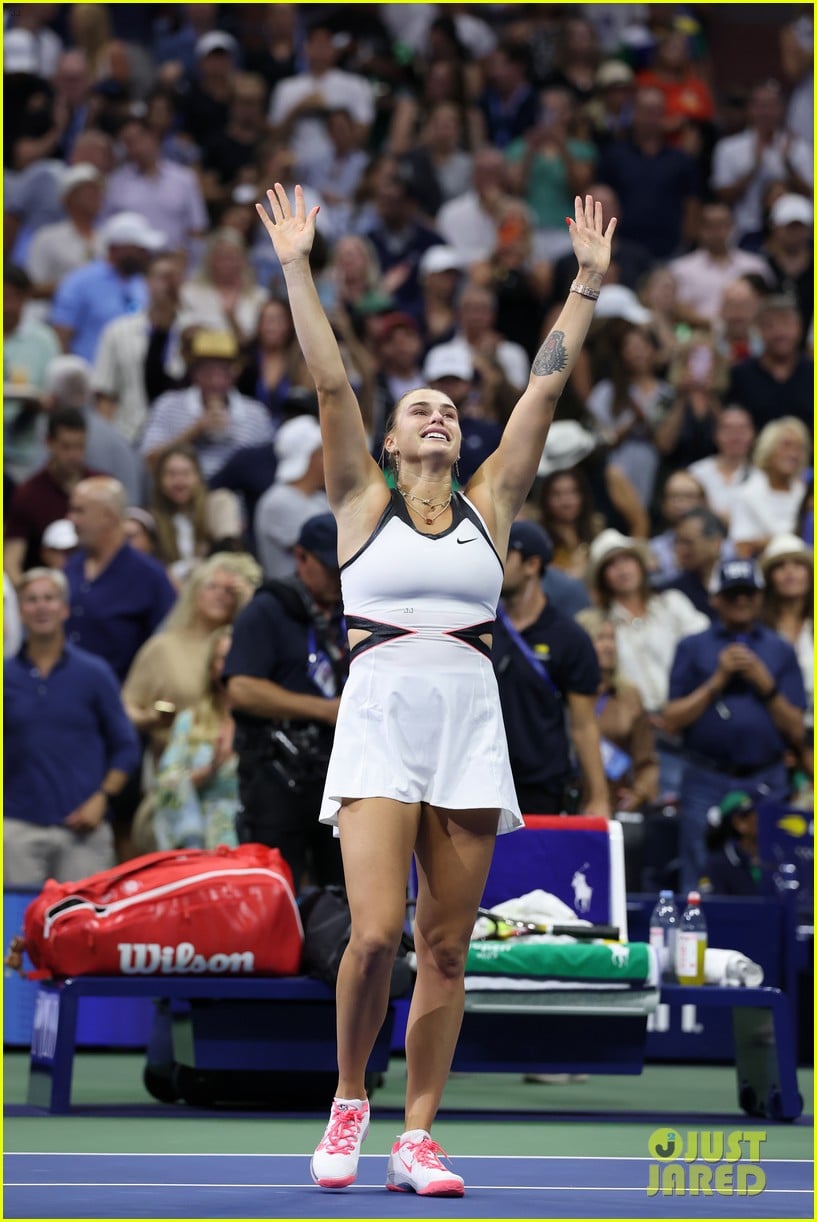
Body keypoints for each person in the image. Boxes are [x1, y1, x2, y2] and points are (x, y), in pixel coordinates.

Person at [254, 182, 614, 1195]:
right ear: (388, 444)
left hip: (466, 720)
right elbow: (331, 385)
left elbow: (541, 392)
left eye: (449, 410)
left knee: (445, 948)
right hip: (379, 716)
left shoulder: (491, 505)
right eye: (421, 409)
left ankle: (418, 1135)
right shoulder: (358, 501)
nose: (439, 416)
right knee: (373, 934)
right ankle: (348, 1097)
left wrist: (583, 285)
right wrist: (294, 264)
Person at [663, 558, 805, 891]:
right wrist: (718, 680)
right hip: (705, 778)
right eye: (732, 594)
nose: (741, 601)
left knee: (773, 868)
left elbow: (797, 728)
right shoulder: (692, 646)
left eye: (748, 593)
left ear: (760, 597)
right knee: (698, 872)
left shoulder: (779, 650)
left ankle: (771, 942)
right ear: (715, 599)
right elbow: (671, 719)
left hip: (765, 778)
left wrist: (764, 683)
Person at [224, 513, 347, 892]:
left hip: (340, 775)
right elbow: (241, 688)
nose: (336, 577)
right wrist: (325, 710)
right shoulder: (270, 609)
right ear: (301, 557)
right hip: (277, 775)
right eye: (328, 567)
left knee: (345, 890)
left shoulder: (354, 611)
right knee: (275, 889)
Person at [4, 567, 139, 887]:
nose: (41, 607)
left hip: (84, 830)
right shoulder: (4, 676)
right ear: (20, 611)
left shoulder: (94, 673)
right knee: (15, 932)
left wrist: (103, 797)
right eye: (31, 600)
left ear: (64, 609)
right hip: (16, 828)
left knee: (83, 930)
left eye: (49, 598)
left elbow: (126, 745)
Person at [492, 520, 609, 817]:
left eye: (505, 553)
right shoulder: (481, 627)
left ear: (532, 564)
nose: (493, 560)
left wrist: (598, 796)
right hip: (483, 782)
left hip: (541, 789)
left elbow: (584, 726)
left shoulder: (569, 638)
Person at [65, 476, 177, 682]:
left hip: (121, 696)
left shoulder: (149, 576)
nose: (71, 519)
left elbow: (168, 645)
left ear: (108, 516)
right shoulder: (72, 565)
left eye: (79, 511)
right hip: (67, 694)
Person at [140, 329, 276, 479]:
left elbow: (268, 469)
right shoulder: (168, 405)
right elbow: (149, 461)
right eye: (207, 372)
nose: (216, 381)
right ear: (194, 373)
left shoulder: (256, 414)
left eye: (224, 372)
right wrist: (195, 431)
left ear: (235, 373)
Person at [152, 626, 239, 851]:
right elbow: (166, 779)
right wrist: (205, 773)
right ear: (211, 667)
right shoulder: (190, 721)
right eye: (223, 658)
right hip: (201, 837)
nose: (231, 664)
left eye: (237, 656)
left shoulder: (266, 720)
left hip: (256, 832)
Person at [4, 407, 95, 584]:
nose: (74, 455)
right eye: (66, 446)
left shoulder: (100, 487)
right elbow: (11, 560)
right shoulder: (28, 494)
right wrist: (31, 598)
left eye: (80, 446)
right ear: (49, 442)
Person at [583, 615, 659, 816]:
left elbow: (647, 760)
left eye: (612, 639)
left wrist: (639, 793)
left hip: (614, 804)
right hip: (570, 802)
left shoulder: (629, 696)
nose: (609, 646)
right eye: (600, 638)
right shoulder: (564, 693)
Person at [148, 445, 243, 586]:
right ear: (159, 481)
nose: (179, 481)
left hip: (214, 586)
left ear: (198, 477)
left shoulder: (217, 503)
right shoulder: (151, 519)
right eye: (171, 474)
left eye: (186, 474)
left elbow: (229, 550)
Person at [254, 415, 329, 579]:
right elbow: (329, 546)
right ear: (310, 457)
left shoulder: (321, 499)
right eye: (323, 453)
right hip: (291, 599)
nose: (330, 460)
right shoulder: (278, 501)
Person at [729, 416, 810, 558]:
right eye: (786, 445)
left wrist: (764, 541)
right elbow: (742, 547)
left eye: (799, 448)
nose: (794, 454)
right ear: (768, 448)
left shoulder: (804, 494)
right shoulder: (746, 493)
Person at [700, 789, 763, 896]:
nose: (767, 818)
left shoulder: (779, 857)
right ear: (740, 824)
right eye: (759, 813)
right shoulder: (717, 866)